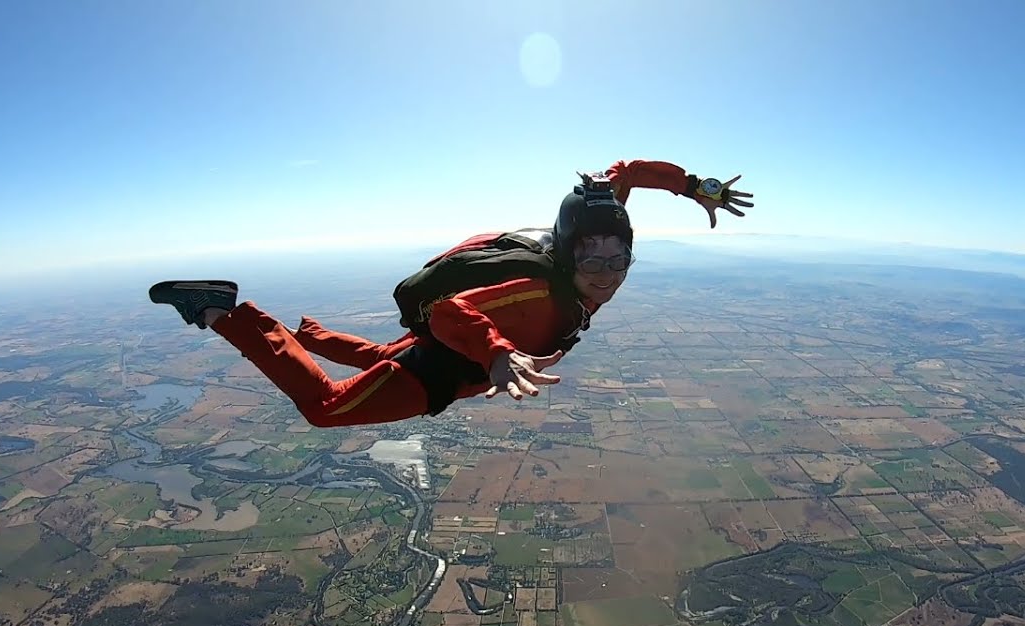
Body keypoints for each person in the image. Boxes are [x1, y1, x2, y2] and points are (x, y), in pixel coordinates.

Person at [148, 158, 753, 428]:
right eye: (592, 258)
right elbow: (446, 312)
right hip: (448, 365)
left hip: (459, 352)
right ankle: (223, 311)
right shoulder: (539, 297)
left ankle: (306, 336)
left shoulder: (596, 215)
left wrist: (695, 187)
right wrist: (496, 353)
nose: (606, 271)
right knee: (326, 407)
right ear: (569, 252)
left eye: (618, 258)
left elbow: (630, 172)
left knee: (383, 357)